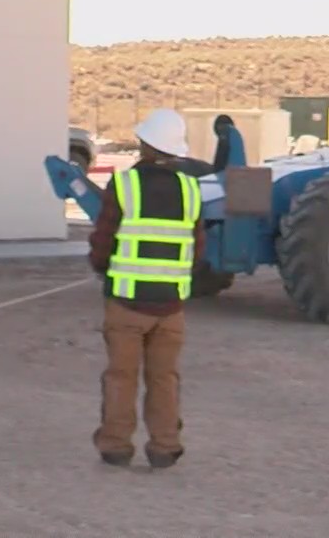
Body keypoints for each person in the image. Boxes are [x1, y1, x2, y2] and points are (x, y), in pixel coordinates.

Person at [87, 107, 205, 469]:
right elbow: (197, 250)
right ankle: (165, 446)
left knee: (122, 376)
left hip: (126, 304)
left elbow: (103, 241)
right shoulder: (191, 189)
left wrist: (106, 270)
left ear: (146, 146)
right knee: (164, 377)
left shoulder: (123, 185)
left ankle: (116, 446)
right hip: (170, 308)